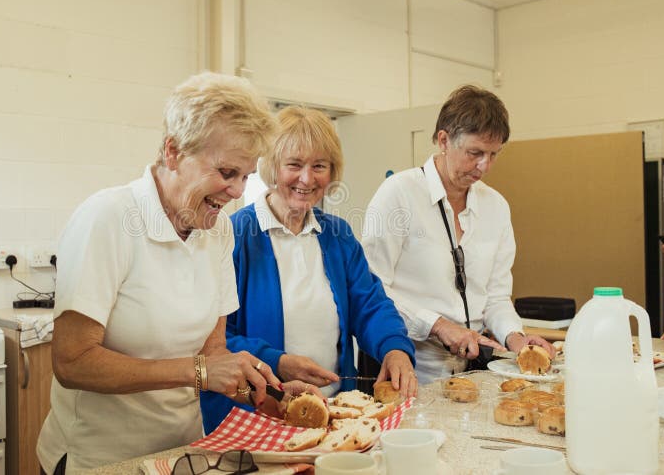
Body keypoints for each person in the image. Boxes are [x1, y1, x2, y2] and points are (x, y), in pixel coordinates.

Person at [36, 72, 290, 473]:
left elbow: (213, 353)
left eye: (246, 176)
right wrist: (200, 372)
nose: (239, 191)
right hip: (101, 461)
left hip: (178, 456)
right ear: (173, 152)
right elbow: (72, 362)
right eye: (226, 173)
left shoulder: (218, 230)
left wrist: (272, 394)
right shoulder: (109, 218)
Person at [200, 106, 417, 433]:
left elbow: (370, 305)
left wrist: (395, 348)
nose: (307, 178)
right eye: (294, 165)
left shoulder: (338, 235)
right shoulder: (233, 236)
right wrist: (278, 362)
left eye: (319, 166)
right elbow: (212, 339)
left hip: (333, 412)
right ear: (272, 167)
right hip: (256, 415)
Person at [362, 85, 556, 384]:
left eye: (493, 155)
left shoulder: (496, 207)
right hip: (410, 370)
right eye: (475, 153)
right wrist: (437, 325)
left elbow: (496, 297)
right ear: (444, 139)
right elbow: (373, 287)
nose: (484, 166)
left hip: (474, 373)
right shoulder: (398, 195)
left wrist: (515, 338)